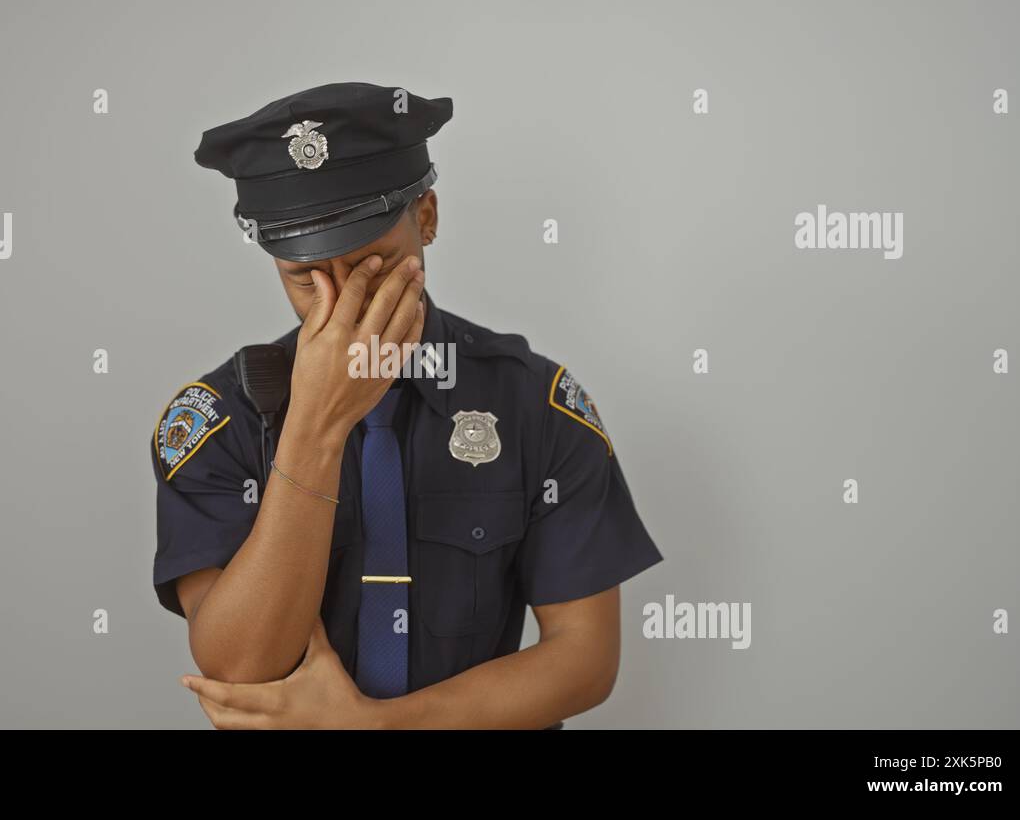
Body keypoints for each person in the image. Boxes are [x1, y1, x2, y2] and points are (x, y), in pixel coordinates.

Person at [152, 82, 663, 729]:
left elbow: (585, 658)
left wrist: (377, 725)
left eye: (371, 263)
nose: (341, 305)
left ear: (426, 216)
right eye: (304, 277)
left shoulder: (533, 402)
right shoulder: (217, 419)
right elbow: (236, 667)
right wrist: (318, 425)